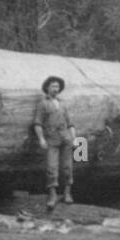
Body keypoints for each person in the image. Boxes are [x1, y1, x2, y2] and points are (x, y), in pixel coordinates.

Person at [34, 75, 76, 211]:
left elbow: (70, 124)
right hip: (51, 140)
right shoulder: (43, 103)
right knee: (52, 168)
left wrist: (74, 138)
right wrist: (41, 138)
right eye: (53, 86)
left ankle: (67, 194)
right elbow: (37, 123)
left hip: (66, 139)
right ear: (47, 87)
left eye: (57, 86)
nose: (56, 89)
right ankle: (52, 195)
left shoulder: (63, 104)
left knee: (68, 167)